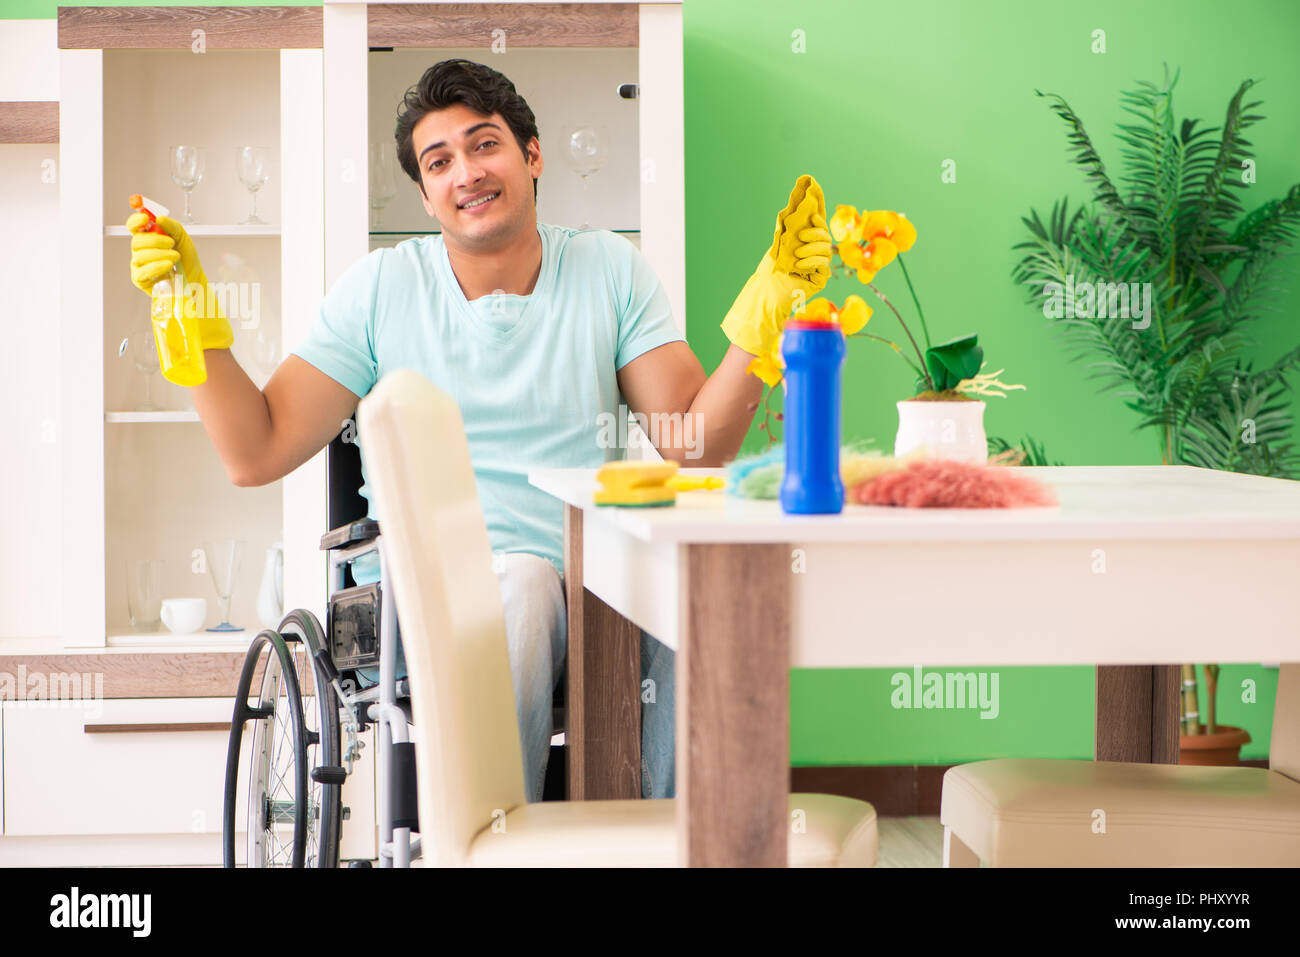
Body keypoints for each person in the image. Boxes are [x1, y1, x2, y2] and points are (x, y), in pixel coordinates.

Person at [127, 58, 831, 803]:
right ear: (427, 192)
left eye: (484, 144)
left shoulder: (607, 271)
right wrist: (189, 312)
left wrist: (771, 307)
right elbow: (255, 448)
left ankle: (648, 838)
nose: (466, 172)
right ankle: (497, 843)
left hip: (586, 584)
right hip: (421, 596)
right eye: (440, 162)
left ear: (531, 156)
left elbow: (695, 440)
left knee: (672, 587)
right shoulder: (382, 289)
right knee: (524, 582)